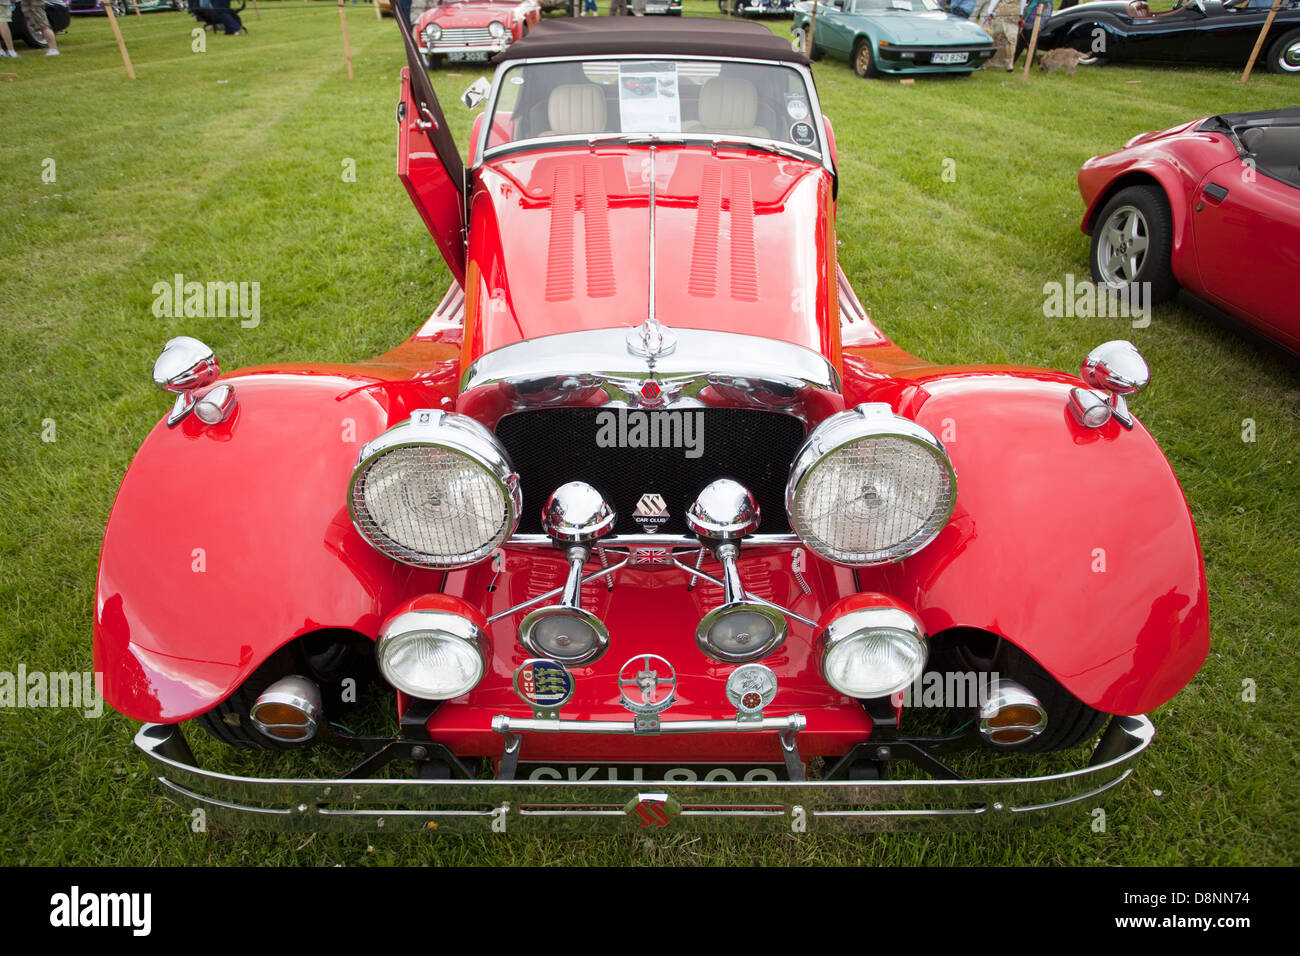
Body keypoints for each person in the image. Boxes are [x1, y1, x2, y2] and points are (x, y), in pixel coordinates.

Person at [972, 0, 1020, 71]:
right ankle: (1008, 63)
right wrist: (1021, 13)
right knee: (1009, 38)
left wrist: (990, 10)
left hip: (1005, 13)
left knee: (998, 37)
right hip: (1012, 13)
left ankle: (989, 62)